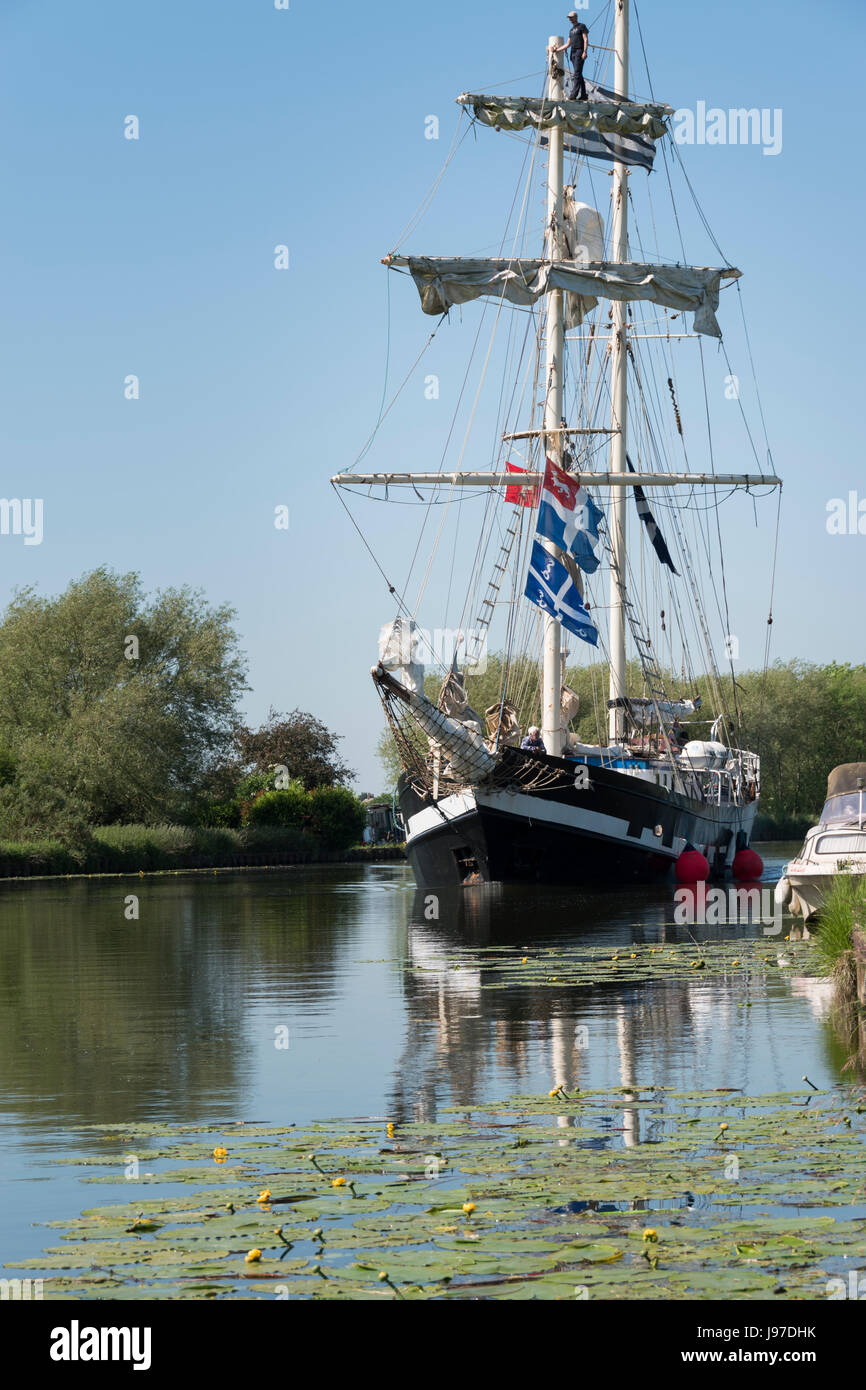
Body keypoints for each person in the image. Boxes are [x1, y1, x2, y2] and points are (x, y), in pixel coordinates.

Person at [553, 12, 589, 102]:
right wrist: (557, 50)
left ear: (576, 17)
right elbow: (568, 44)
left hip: (579, 51)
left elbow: (585, 39)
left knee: (577, 73)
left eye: (571, 17)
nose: (570, 19)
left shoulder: (582, 26)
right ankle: (584, 94)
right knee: (578, 74)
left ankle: (574, 94)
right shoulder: (571, 30)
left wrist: (585, 51)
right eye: (569, 18)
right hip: (573, 52)